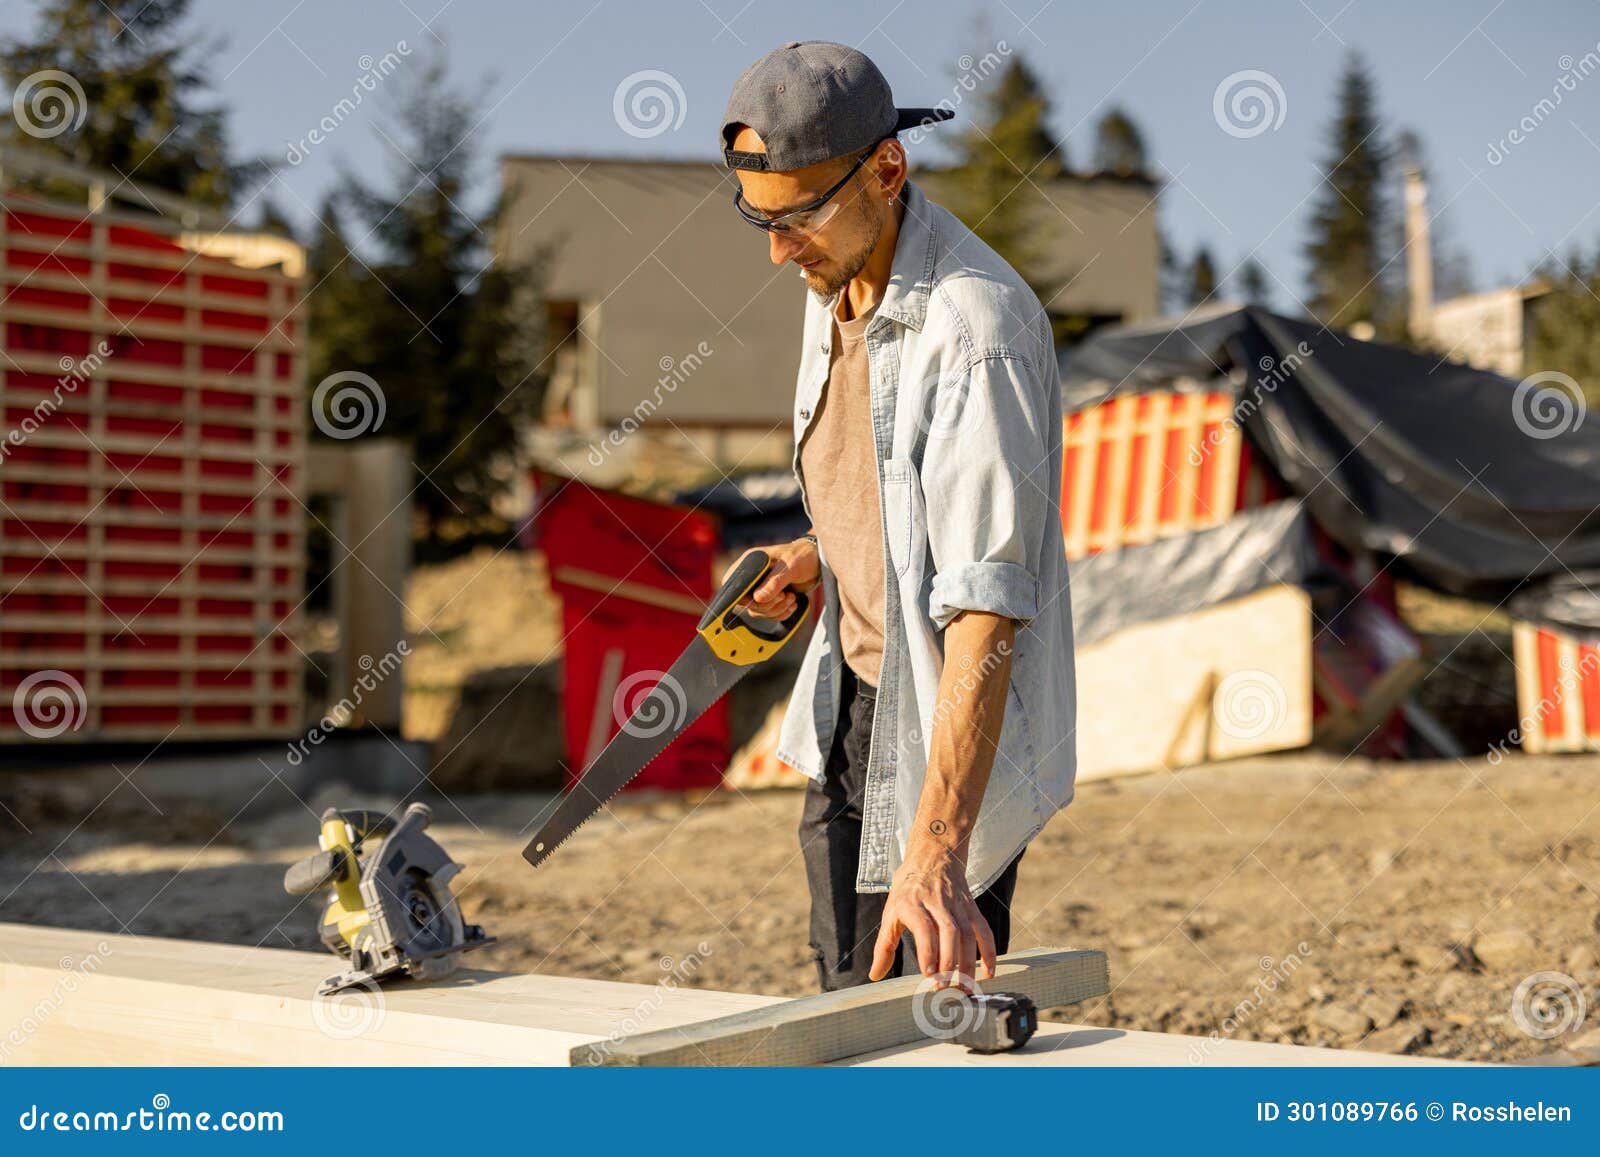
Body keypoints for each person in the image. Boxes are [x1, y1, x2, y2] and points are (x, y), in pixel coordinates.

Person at [720, 41, 1077, 994]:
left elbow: (987, 611)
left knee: (912, 1031)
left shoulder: (976, 334)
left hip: (942, 722)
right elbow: (901, 491)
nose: (776, 248)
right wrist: (818, 554)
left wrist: (937, 849)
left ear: (887, 168)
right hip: (851, 696)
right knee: (842, 998)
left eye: (798, 217)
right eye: (759, 217)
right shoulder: (836, 272)